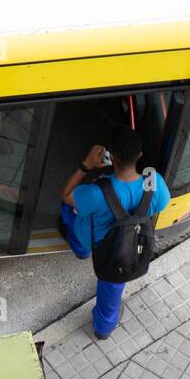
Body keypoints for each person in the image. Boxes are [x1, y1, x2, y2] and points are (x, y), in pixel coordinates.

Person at [60, 127, 171, 340]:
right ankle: (103, 327)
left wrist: (86, 165)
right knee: (111, 289)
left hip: (97, 242)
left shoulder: (96, 190)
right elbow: (161, 205)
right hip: (123, 252)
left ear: (112, 156)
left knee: (70, 212)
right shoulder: (153, 181)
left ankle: (81, 251)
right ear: (139, 155)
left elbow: (65, 195)